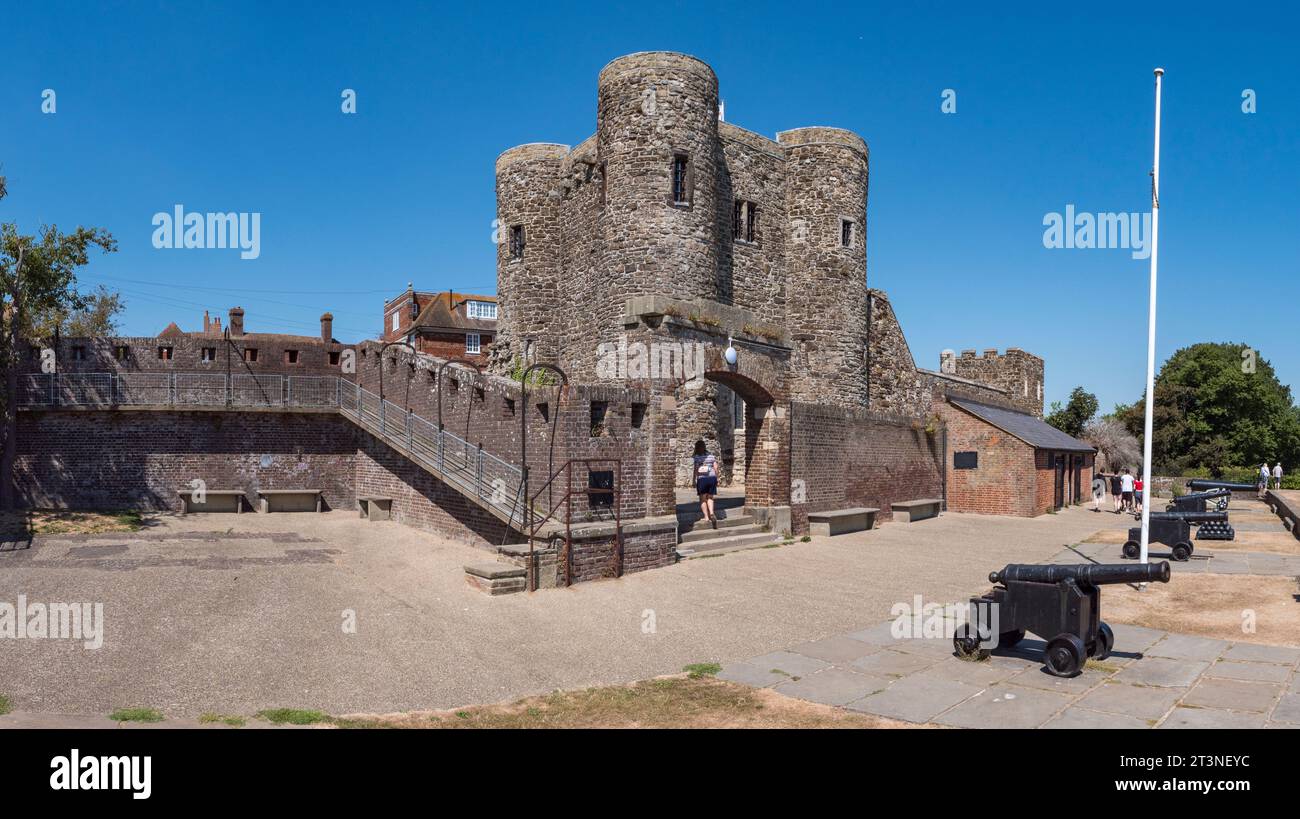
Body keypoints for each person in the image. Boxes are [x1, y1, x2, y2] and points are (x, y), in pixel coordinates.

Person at [692, 440, 719, 528]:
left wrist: (694, 479)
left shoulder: (697, 457)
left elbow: (696, 469)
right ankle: (712, 513)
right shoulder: (711, 456)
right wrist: (716, 478)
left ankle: (706, 517)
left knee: (703, 499)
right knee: (710, 497)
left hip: (702, 479)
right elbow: (716, 467)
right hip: (712, 478)